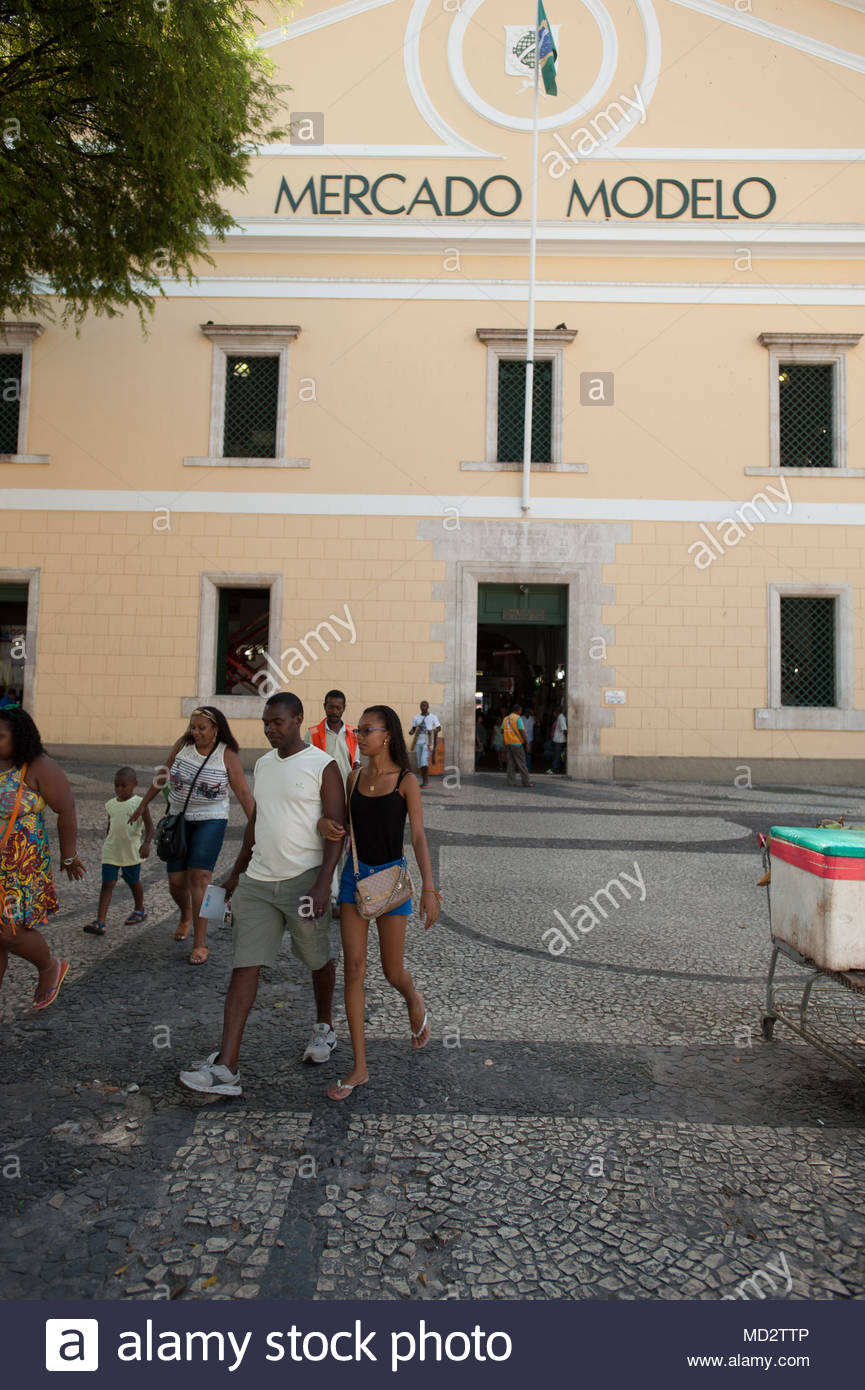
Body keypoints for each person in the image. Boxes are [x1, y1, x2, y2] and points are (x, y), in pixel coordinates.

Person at [178, 692, 346, 1096]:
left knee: (316, 959)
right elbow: (259, 818)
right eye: (266, 723)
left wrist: (324, 882)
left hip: (303, 881)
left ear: (298, 720)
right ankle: (227, 1066)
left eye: (278, 722)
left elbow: (338, 827)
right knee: (245, 966)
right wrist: (236, 873)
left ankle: (324, 1025)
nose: (270, 729)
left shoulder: (323, 766)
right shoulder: (265, 764)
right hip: (257, 881)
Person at [317, 705, 440, 1102]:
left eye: (366, 729)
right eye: (358, 729)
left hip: (391, 883)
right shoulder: (353, 776)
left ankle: (413, 997)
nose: (359, 735)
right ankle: (359, 1066)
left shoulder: (406, 781)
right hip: (356, 879)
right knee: (354, 969)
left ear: (387, 734)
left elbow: (418, 835)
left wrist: (429, 889)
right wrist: (326, 825)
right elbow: (345, 827)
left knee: (392, 971)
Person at [131, 707, 254, 964]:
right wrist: (143, 804)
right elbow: (163, 776)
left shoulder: (226, 754)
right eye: (193, 727)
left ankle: (200, 942)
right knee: (176, 882)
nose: (195, 732)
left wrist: (258, 826)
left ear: (216, 730)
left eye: (202, 728)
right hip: (179, 820)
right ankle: (186, 913)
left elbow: (243, 792)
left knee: (201, 878)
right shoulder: (182, 746)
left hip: (212, 820)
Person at [0, 706, 85, 1012]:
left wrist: (68, 855)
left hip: (20, 866)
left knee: (9, 932)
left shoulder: (38, 766)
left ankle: (49, 966)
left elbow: (67, 809)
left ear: (19, 737)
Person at [304, 689, 360, 917]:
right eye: (330, 707)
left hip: (347, 796)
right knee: (326, 844)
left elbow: (356, 764)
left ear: (344, 708)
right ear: (324, 706)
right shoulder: (313, 732)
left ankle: (344, 894)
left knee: (347, 844)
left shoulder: (352, 734)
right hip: (322, 797)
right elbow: (306, 764)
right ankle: (331, 895)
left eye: (338, 707)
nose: (334, 711)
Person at [85, 767, 153, 935]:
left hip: (130, 851)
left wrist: (146, 844)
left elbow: (150, 827)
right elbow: (111, 826)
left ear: (134, 784)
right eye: (116, 786)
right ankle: (100, 921)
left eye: (124, 786)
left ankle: (139, 909)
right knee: (107, 883)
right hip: (112, 851)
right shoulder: (110, 804)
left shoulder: (140, 803)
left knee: (133, 881)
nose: (119, 789)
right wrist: (109, 840)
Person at [409, 700, 441, 788]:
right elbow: (413, 729)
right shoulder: (416, 717)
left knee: (423, 760)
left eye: (425, 705)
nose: (423, 707)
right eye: (422, 705)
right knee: (420, 762)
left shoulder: (433, 717)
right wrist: (411, 732)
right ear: (420, 707)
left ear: (428, 707)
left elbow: (439, 728)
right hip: (418, 741)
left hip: (428, 741)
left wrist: (433, 731)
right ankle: (424, 781)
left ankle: (426, 781)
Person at [502, 703, 534, 788]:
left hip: (508, 743)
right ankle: (526, 782)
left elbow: (502, 730)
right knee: (522, 763)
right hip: (517, 744)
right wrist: (527, 743)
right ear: (519, 710)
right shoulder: (518, 718)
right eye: (521, 711)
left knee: (511, 764)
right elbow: (522, 731)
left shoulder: (505, 719)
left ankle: (511, 782)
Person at [548, 705, 568, 775]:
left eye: (554, 712)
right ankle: (557, 769)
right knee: (557, 755)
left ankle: (554, 769)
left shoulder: (561, 718)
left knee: (557, 756)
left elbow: (564, 729)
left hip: (559, 740)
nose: (553, 714)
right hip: (558, 740)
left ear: (557, 712)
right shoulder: (560, 717)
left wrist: (567, 738)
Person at [523, 706, 535, 773]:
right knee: (522, 754)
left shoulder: (532, 718)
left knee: (528, 754)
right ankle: (523, 768)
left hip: (530, 738)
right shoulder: (521, 718)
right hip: (522, 738)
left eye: (529, 712)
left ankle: (528, 768)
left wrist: (533, 714)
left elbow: (537, 723)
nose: (527, 713)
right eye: (526, 712)